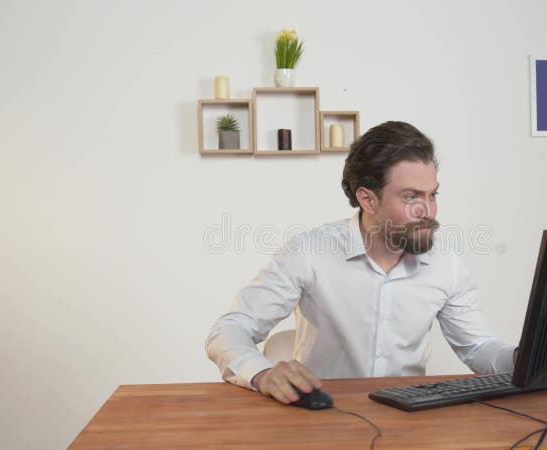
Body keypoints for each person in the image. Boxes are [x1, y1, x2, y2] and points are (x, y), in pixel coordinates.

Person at [206, 121, 516, 405]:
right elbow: (229, 329)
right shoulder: (310, 251)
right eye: (411, 197)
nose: (429, 211)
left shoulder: (445, 262)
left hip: (408, 420)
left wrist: (528, 360)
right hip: (324, 416)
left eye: (432, 195)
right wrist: (262, 373)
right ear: (368, 199)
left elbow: (478, 347)